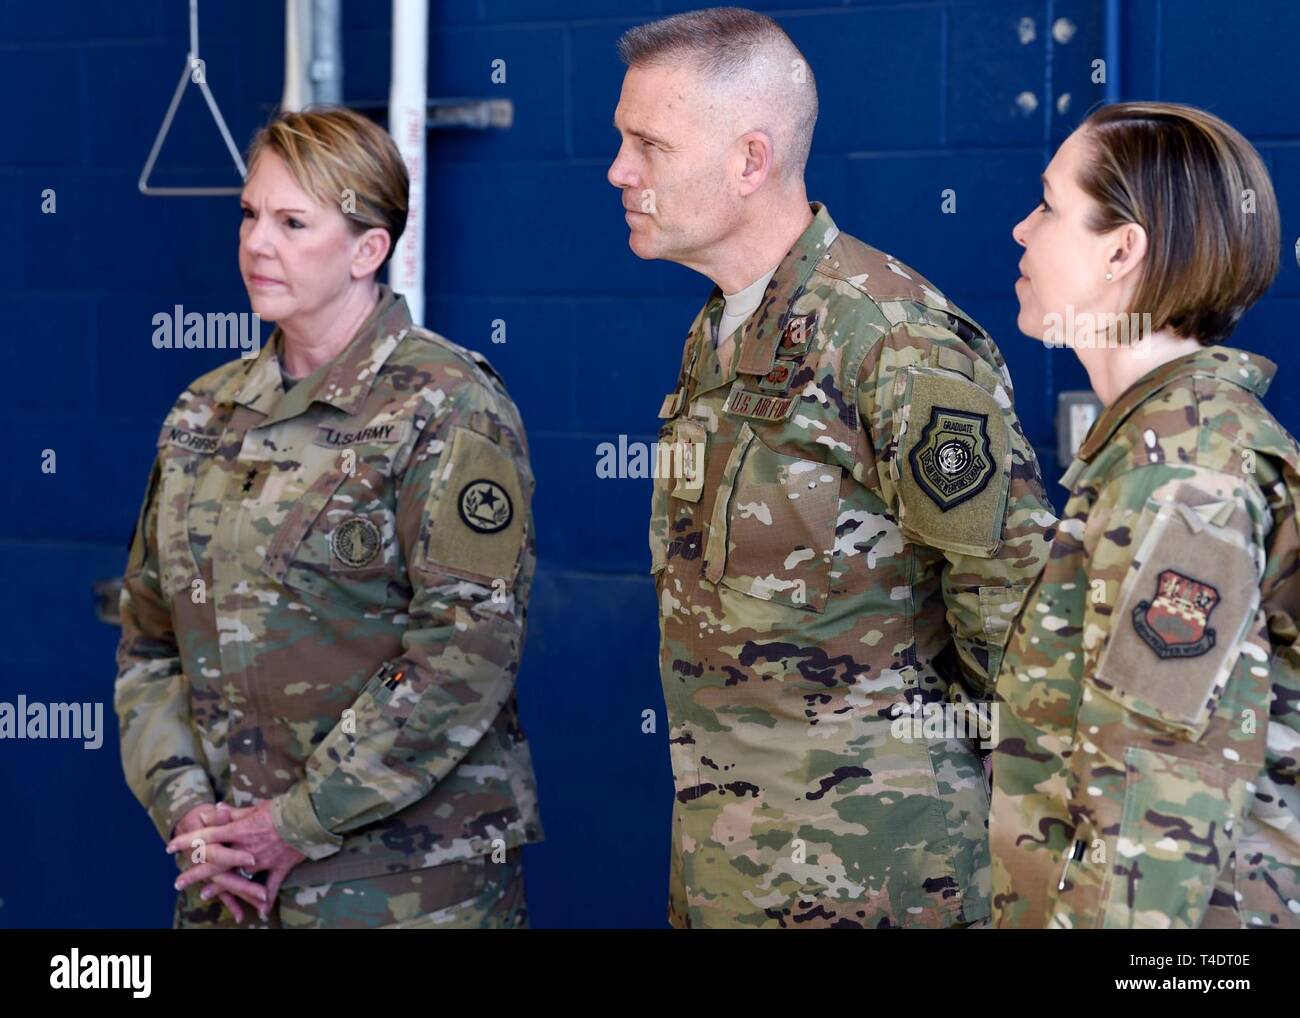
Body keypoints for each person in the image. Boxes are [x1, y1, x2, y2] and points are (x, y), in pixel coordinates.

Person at [609, 7, 1055, 928]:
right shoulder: (724, 329)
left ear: (749, 159)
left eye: (647, 143)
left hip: (883, 877)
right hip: (731, 859)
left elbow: (1013, 626)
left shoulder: (893, 341)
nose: (620, 170)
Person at [115, 106, 543, 929]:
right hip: (231, 883)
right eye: (248, 214)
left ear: (367, 249)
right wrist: (188, 812)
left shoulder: (447, 405)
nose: (256, 242)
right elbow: (147, 641)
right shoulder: (201, 414)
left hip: (400, 888)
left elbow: (466, 652)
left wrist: (296, 823)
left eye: (291, 222)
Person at [991, 101, 1300, 929]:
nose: (1022, 230)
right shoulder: (1169, 441)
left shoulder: (1182, 470)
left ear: (1123, 250)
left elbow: (1156, 814)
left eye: (1049, 207)